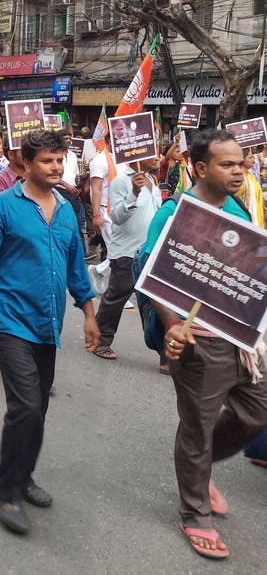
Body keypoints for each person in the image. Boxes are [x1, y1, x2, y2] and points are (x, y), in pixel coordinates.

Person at [144, 130, 267, 560]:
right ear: (199, 168)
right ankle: (195, 514)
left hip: (242, 340)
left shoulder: (239, 208)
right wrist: (174, 326)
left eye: (242, 162)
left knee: (256, 411)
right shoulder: (172, 212)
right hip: (198, 341)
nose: (241, 170)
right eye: (228, 164)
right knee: (197, 424)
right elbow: (155, 278)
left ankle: (198, 465)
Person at [0, 129, 99, 536]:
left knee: (38, 407)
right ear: (26, 164)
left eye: (60, 160)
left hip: (48, 324)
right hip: (9, 321)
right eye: (47, 160)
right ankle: (5, 490)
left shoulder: (65, 209)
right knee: (26, 405)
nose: (56, 166)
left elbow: (77, 266)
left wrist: (90, 312)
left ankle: (24, 475)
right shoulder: (3, 208)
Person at [91, 156, 161, 363]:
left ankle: (165, 351)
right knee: (115, 299)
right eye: (152, 153)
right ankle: (100, 340)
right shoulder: (122, 181)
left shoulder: (153, 180)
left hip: (149, 249)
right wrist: (134, 192)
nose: (158, 156)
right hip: (127, 252)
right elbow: (117, 217)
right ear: (140, 155)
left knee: (154, 302)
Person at [87, 137, 127, 294]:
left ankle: (99, 271)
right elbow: (95, 189)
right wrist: (96, 215)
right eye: (117, 141)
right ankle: (116, 292)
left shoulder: (124, 159)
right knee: (119, 253)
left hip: (121, 211)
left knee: (121, 252)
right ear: (109, 141)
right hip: (106, 211)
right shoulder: (100, 161)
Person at [236, 148, 264, 226]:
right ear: (242, 159)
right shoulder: (238, 178)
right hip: (245, 221)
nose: (254, 161)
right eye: (250, 157)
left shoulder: (249, 175)